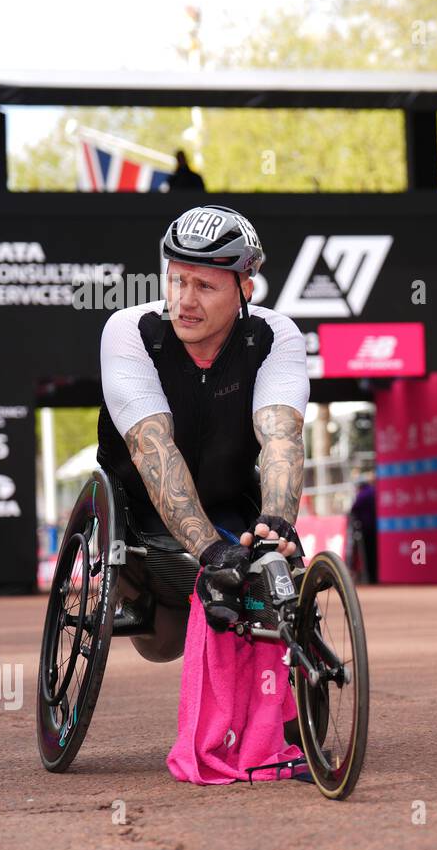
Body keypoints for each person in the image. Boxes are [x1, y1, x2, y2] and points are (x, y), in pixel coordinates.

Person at [95, 204, 308, 659]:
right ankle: (151, 598)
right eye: (177, 280)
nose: (185, 300)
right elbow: (153, 450)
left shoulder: (276, 336)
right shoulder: (131, 330)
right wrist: (210, 551)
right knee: (163, 645)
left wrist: (275, 524)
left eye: (205, 286)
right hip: (140, 515)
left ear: (244, 289)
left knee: (274, 583)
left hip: (229, 504)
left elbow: (281, 438)